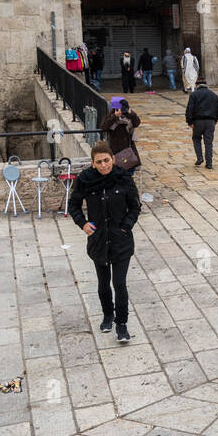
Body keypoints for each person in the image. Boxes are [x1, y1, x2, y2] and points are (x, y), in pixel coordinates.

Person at [68, 140, 142, 343]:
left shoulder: (123, 178)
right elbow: (73, 205)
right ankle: (107, 315)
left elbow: (135, 206)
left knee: (119, 283)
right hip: (99, 240)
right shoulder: (85, 180)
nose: (104, 165)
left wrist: (126, 226)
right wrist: (83, 224)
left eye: (107, 160)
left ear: (113, 159)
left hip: (121, 240)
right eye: (99, 162)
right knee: (103, 283)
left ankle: (122, 323)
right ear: (92, 163)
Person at [185, 77, 218, 169]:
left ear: (197, 85)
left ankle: (200, 157)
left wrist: (189, 121)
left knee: (196, 138)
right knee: (208, 142)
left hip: (197, 122)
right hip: (210, 121)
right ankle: (209, 163)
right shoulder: (213, 95)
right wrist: (216, 120)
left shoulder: (194, 95)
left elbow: (189, 109)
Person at [100, 97, 141, 170]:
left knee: (130, 168)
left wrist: (132, 114)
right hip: (115, 148)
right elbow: (104, 127)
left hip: (128, 147)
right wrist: (114, 116)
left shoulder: (128, 115)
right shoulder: (111, 117)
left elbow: (136, 123)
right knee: (117, 169)